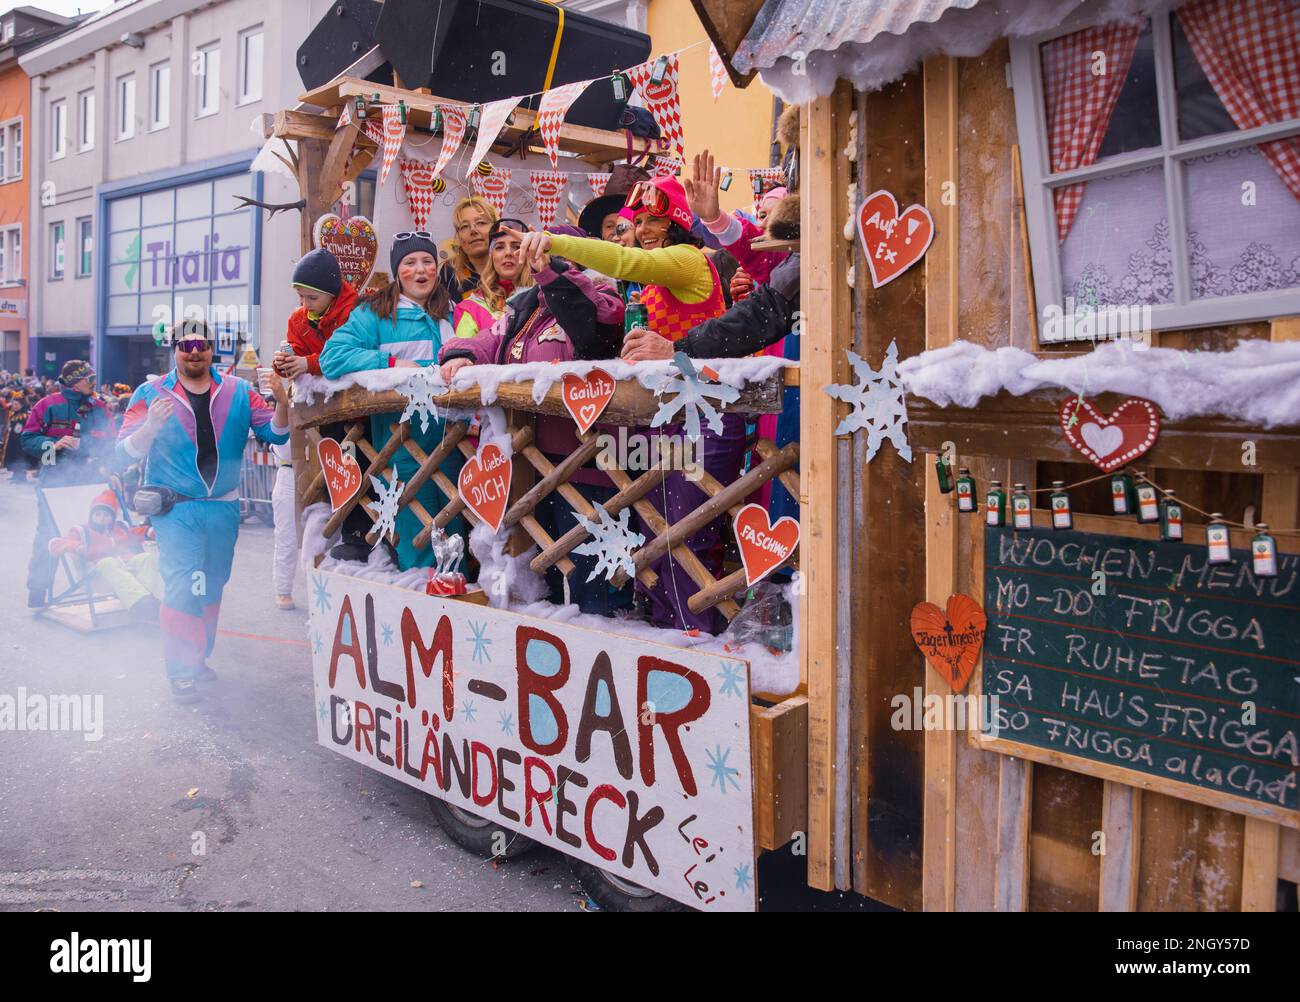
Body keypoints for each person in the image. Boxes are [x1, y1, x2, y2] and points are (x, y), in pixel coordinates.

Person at [510, 176, 743, 633]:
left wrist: (555, 241)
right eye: (640, 221)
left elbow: (623, 258)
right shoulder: (651, 281)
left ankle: (693, 641)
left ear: (677, 223)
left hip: (702, 418)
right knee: (656, 536)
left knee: (685, 537)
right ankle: (665, 635)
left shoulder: (686, 260)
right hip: (663, 417)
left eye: (657, 219)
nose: (646, 228)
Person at [438, 225, 626, 613]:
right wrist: (463, 355)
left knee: (594, 583)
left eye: (556, 253)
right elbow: (487, 339)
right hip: (534, 463)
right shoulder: (525, 307)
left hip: (592, 462)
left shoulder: (603, 295)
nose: (543, 260)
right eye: (539, 252)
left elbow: (593, 329)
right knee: (551, 578)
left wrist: (553, 274)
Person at [116, 321, 290, 702]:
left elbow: (276, 435)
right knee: (182, 584)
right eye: (186, 344)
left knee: (212, 585)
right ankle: (180, 669)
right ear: (174, 349)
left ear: (212, 349)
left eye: (202, 344)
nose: (194, 351)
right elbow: (122, 453)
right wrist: (150, 426)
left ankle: (197, 658)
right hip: (176, 511)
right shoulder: (151, 392)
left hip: (222, 509)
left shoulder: (239, 391)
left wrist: (283, 401)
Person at [320, 232, 466, 571]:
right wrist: (391, 364)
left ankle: (453, 604)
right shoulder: (375, 315)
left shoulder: (454, 313)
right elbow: (333, 356)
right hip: (401, 451)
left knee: (454, 539)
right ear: (397, 271)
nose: (420, 270)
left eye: (427, 261)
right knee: (417, 545)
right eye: (410, 263)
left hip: (452, 445)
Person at [272, 247, 364, 581]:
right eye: (300, 297)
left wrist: (309, 363)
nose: (304, 305)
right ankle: (333, 532)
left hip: (358, 411)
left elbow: (350, 352)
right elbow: (293, 348)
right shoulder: (299, 319)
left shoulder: (355, 311)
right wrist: (284, 362)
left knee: (359, 469)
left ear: (331, 293)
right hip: (321, 415)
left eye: (311, 298)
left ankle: (358, 534)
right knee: (331, 473)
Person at [23, 359, 115, 608]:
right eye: (89, 379)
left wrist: (105, 464)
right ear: (75, 381)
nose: (94, 383)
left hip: (91, 481)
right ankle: (38, 589)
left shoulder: (99, 407)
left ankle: (100, 591)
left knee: (94, 533)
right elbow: (28, 440)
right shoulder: (47, 405)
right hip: (54, 481)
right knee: (48, 535)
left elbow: (111, 441)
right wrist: (53, 447)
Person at [48, 488, 162, 622]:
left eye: (106, 515)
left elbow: (135, 532)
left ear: (113, 517)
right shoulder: (81, 531)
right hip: (96, 573)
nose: (102, 518)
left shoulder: (120, 528)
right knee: (109, 562)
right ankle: (140, 604)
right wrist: (76, 546)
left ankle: (154, 601)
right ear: (91, 515)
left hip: (123, 567)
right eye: (98, 514)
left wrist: (148, 532)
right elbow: (59, 543)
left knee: (145, 558)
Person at [451, 218, 535, 340]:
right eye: (499, 247)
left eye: (516, 246)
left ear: (527, 255)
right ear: (492, 257)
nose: (508, 253)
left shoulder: (543, 299)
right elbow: (464, 353)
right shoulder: (470, 307)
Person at [438, 196, 499, 303]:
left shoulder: (511, 266)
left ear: (496, 228)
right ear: (458, 236)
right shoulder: (450, 272)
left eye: (481, 223)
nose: (473, 230)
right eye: (465, 226)